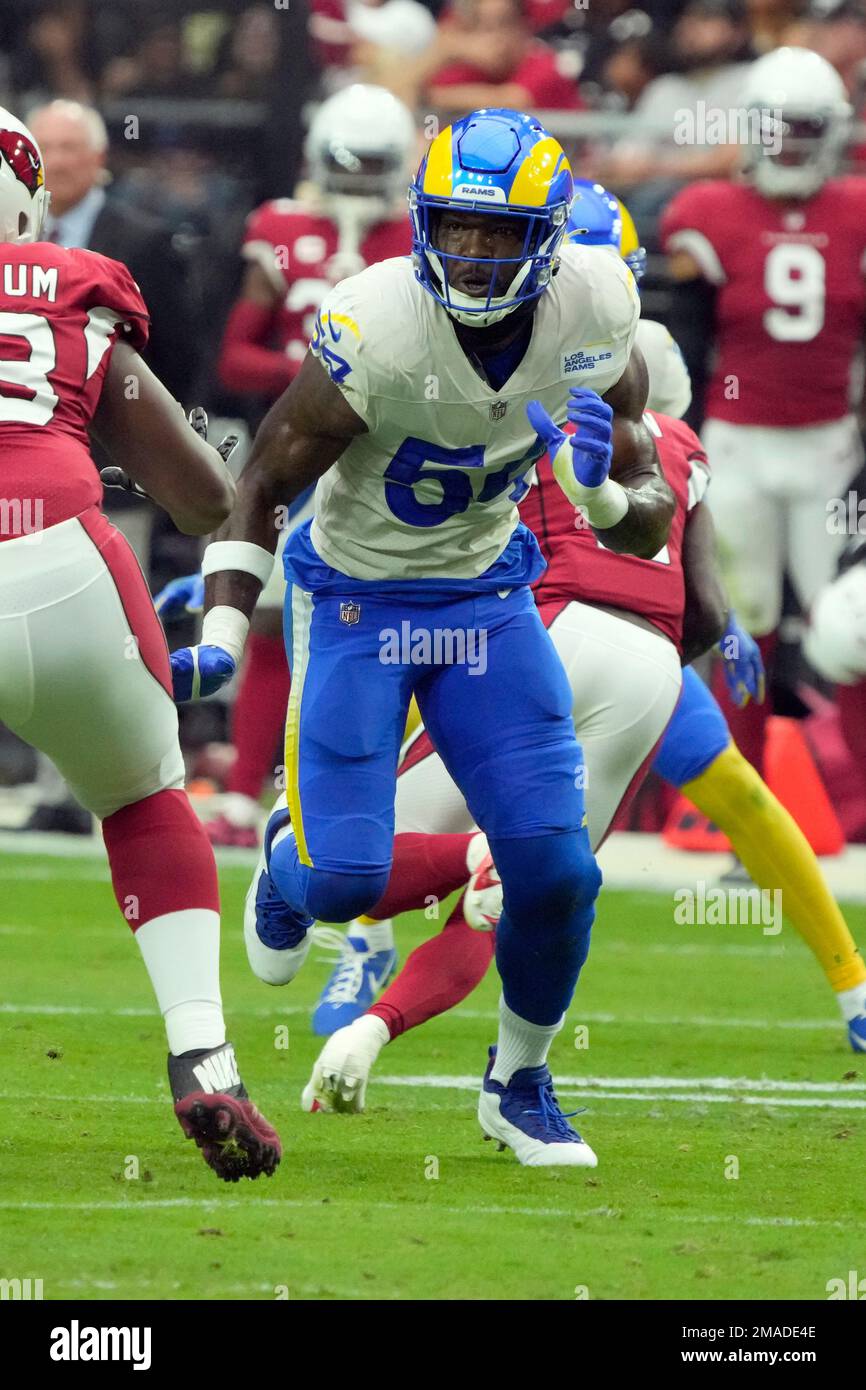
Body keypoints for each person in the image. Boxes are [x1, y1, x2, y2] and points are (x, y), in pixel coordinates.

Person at [169, 108, 675, 1168]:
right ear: (421, 221)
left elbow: (649, 504)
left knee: (558, 874)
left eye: (499, 234)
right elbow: (263, 478)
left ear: (545, 237)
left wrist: (595, 489)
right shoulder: (376, 321)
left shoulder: (595, 301)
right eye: (456, 227)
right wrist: (223, 626)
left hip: (486, 602)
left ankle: (518, 1084)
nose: (476, 253)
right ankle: (285, 866)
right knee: (345, 881)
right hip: (354, 598)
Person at [301, 186, 866, 1109]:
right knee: (541, 872)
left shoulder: (569, 352)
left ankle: (343, 939)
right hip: (627, 642)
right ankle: (846, 987)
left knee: (379, 842)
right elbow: (689, 572)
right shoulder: (621, 378)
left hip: (523, 626)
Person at [0, 107, 280, 1181]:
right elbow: (207, 496)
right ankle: (202, 1049)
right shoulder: (76, 291)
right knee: (145, 792)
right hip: (67, 561)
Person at [196, 85, 415, 847]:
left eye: (373, 165)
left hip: (385, 459)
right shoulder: (282, 229)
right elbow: (233, 355)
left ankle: (333, 799)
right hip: (293, 458)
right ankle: (241, 799)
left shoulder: (420, 233)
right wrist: (316, 368)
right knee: (267, 629)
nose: (358, 181)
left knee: (377, 631)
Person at [661, 46, 865, 779]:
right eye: (780, 128)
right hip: (740, 445)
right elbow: (688, 341)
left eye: (806, 129)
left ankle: (859, 803)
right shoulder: (709, 213)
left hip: (830, 448)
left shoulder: (856, 210)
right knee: (743, 621)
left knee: (849, 624)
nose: (793, 144)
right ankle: (751, 803)